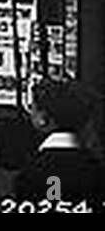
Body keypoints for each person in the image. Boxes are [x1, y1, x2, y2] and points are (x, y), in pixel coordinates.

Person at [13, 78, 105, 208]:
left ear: (43, 119)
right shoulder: (97, 172)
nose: (30, 114)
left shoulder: (29, 174)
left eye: (32, 108)